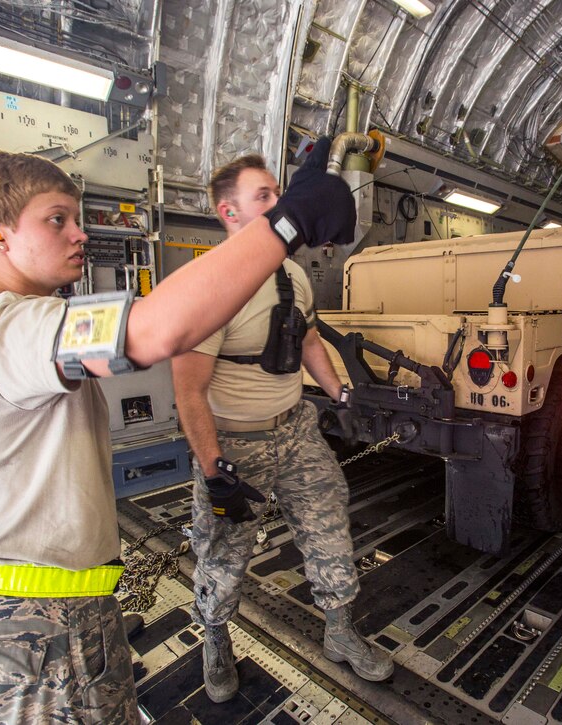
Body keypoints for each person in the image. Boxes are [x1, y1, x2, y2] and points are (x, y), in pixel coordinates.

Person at [0, 144, 354, 723]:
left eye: (76, 219)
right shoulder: (7, 324)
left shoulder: (17, 320)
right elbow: (152, 331)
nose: (79, 235)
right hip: (27, 632)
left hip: (49, 615)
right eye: (57, 220)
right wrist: (288, 221)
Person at [172, 154, 393, 704]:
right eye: (264, 197)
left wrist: (340, 394)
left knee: (327, 519)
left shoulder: (291, 273)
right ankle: (216, 637)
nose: (280, 204)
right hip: (234, 443)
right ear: (229, 213)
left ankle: (340, 629)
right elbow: (188, 391)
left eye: (278, 192)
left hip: (294, 430)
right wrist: (214, 471)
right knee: (224, 547)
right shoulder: (211, 286)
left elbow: (309, 340)